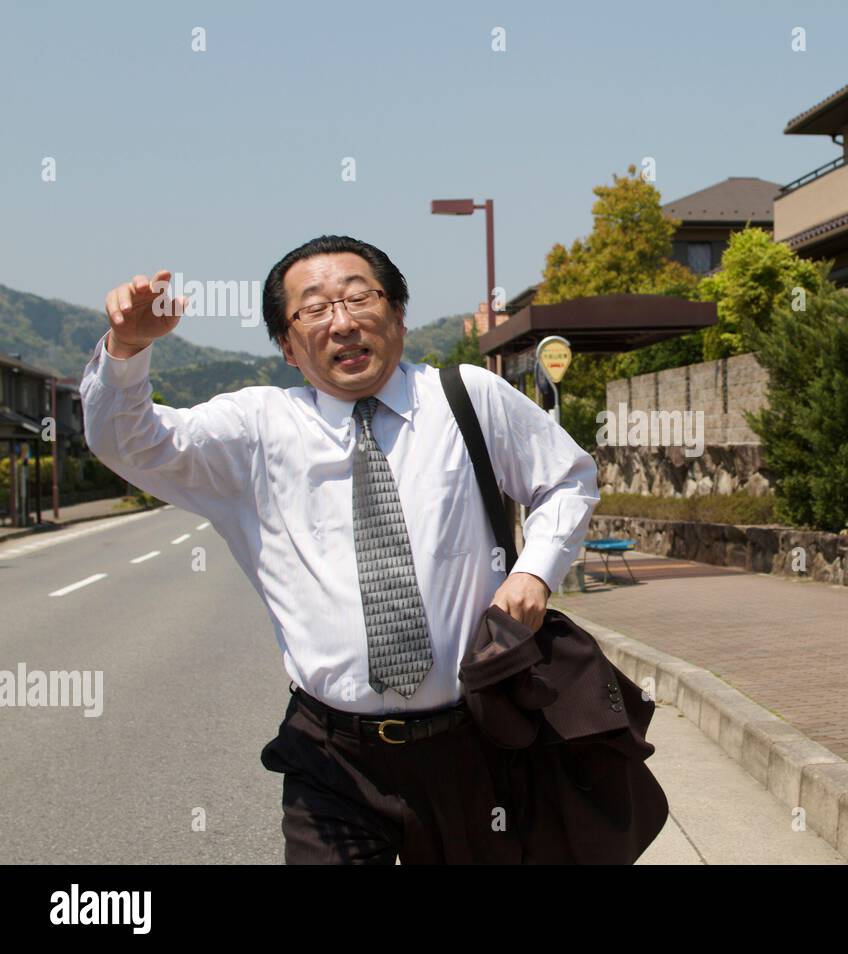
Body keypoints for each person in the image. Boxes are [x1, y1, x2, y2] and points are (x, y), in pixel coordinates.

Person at [80, 235, 599, 864]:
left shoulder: (468, 399)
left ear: (398, 316)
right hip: (331, 759)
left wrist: (535, 573)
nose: (343, 322)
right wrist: (128, 351)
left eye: (360, 298)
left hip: (474, 741)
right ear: (287, 347)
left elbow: (567, 477)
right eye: (315, 309)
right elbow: (131, 443)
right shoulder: (258, 429)